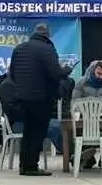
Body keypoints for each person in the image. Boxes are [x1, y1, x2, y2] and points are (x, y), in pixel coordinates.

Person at [8, 23, 63, 177]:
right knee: (38, 132)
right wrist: (67, 70)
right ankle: (31, 166)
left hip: (22, 97)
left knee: (27, 131)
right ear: (47, 36)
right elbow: (55, 73)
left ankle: (23, 166)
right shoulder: (47, 49)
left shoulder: (19, 48)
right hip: (41, 97)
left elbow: (12, 73)